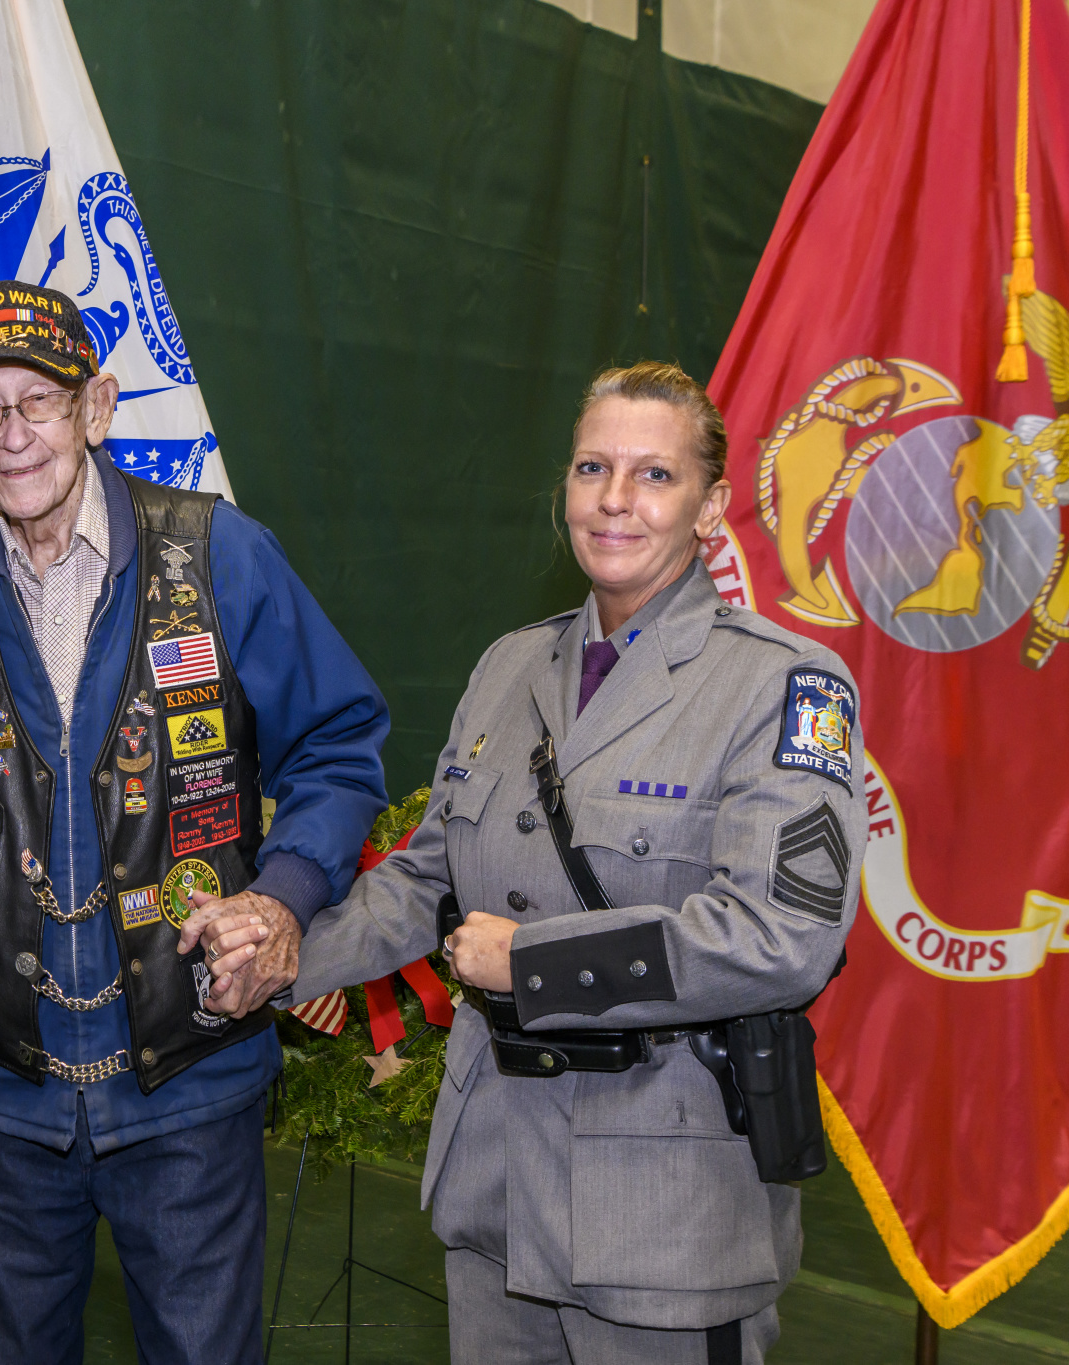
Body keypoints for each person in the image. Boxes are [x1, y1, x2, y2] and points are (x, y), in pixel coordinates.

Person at [0, 280, 391, 1364]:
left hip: (188, 1082)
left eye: (41, 398)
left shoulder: (219, 555)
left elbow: (338, 742)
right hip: (3, 1099)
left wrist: (283, 896)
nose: (15, 432)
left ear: (99, 406)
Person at [291, 362, 868, 1363]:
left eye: (653, 475)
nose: (613, 499)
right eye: (591, 466)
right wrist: (276, 957)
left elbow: (785, 940)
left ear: (709, 505)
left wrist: (533, 964)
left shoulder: (780, 685)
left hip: (663, 1210)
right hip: (494, 1188)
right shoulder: (510, 666)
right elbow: (425, 881)